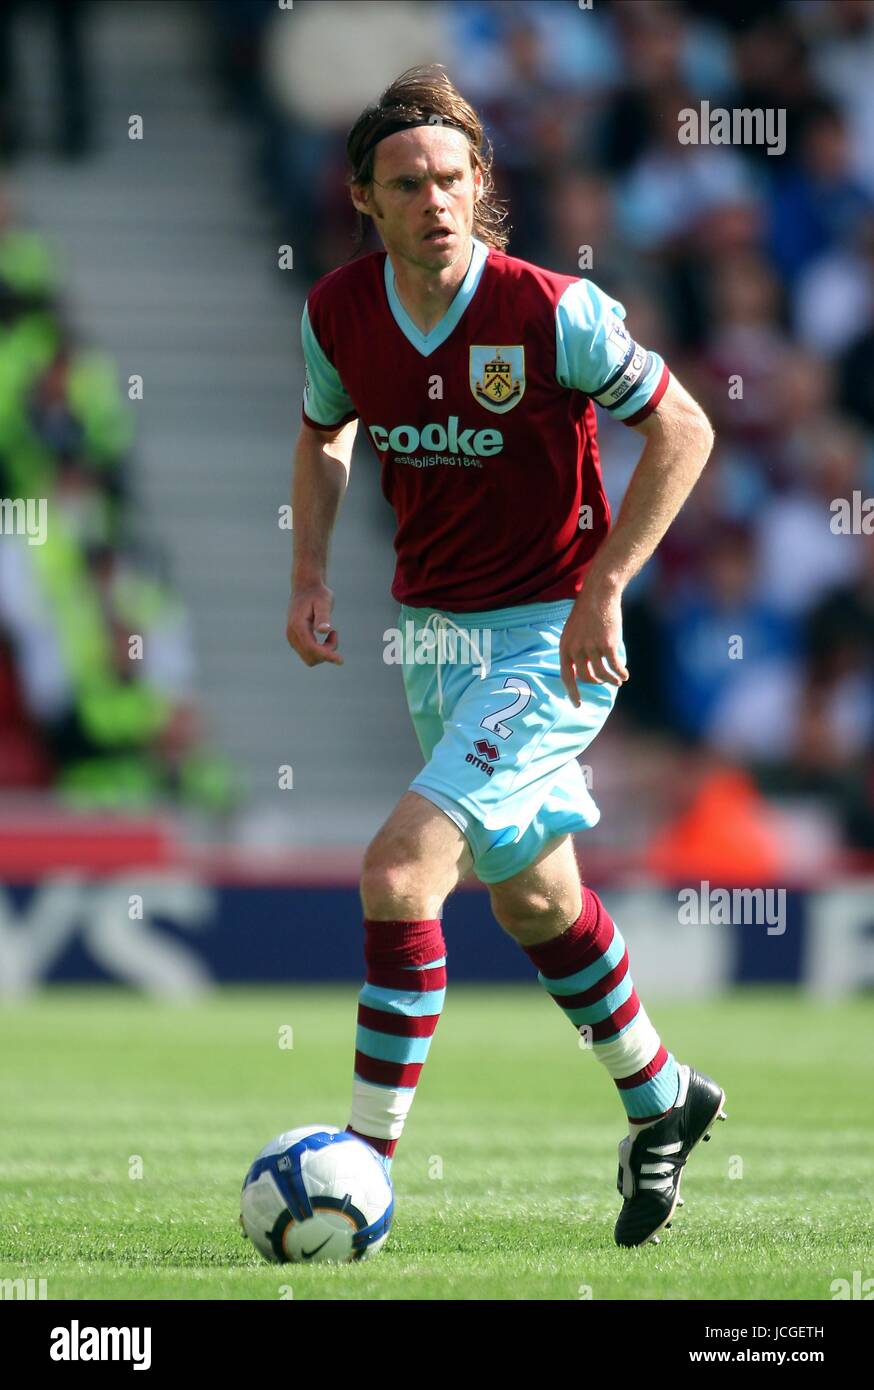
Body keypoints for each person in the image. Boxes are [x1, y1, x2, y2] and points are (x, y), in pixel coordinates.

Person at [286, 65, 724, 1248]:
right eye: (406, 182)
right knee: (536, 899)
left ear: (482, 185)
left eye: (451, 178)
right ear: (364, 199)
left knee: (398, 872)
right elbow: (326, 431)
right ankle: (664, 1097)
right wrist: (311, 573)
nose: (433, 198)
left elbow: (684, 425)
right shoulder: (339, 312)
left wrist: (607, 585)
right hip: (433, 637)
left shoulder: (549, 311)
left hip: (547, 635)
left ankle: (364, 1161)